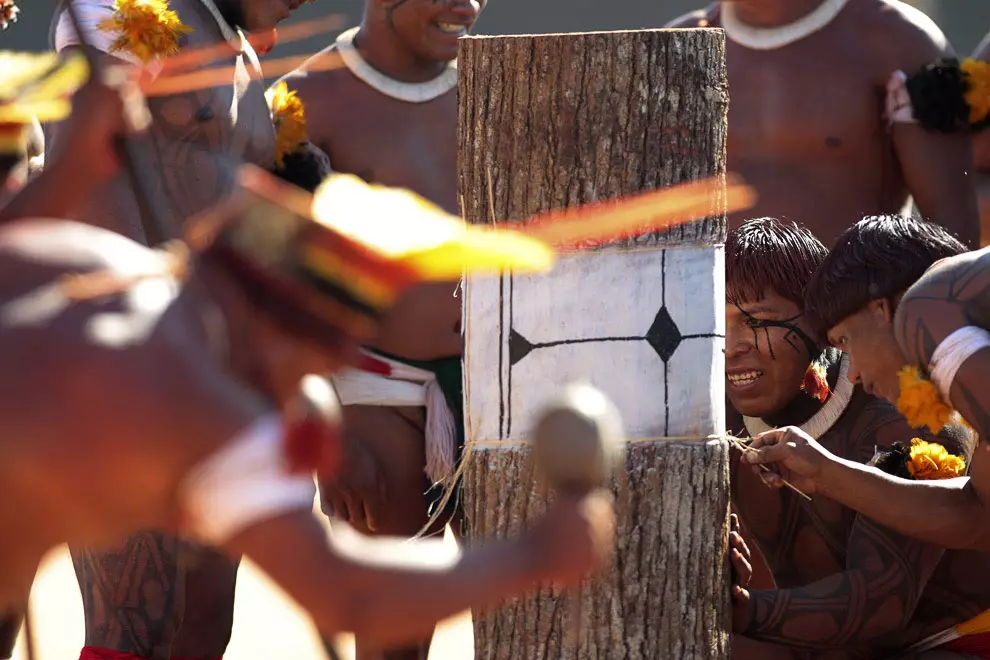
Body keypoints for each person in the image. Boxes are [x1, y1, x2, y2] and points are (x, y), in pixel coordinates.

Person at [0, 196, 614, 652]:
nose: (302, 390)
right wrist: (532, 555)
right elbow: (349, 593)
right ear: (276, 337)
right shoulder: (202, 411)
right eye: (317, 366)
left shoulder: (77, 254)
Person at [49, 0, 307, 656]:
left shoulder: (237, 43)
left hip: (220, 371)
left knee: (203, 622)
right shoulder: (124, 12)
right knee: (135, 623)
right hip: (125, 361)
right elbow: (86, 177)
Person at [279, 3, 480, 657]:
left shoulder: (502, 80)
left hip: (506, 377)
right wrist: (324, 431)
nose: (468, 6)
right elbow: (274, 288)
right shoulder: (305, 102)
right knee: (394, 636)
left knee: (529, 624)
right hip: (374, 389)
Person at [723, 217, 990, 659]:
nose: (731, 346)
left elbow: (880, 606)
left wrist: (740, 611)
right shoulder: (717, 411)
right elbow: (976, 515)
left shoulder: (921, 344)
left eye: (757, 320)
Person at [666, 0, 980, 247]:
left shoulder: (900, 41)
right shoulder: (677, 48)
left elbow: (953, 231)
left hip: (850, 317)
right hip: (710, 317)